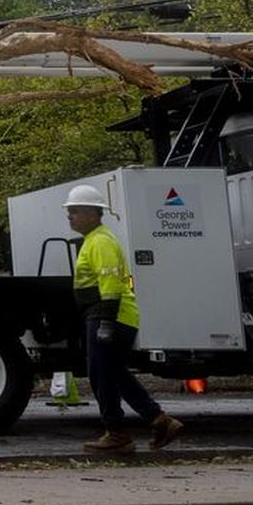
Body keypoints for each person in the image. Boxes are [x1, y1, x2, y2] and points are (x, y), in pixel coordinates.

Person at [66, 185, 183, 453]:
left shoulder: (100, 242)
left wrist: (106, 322)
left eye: (74, 211)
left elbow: (110, 282)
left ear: (93, 214)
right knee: (115, 373)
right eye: (69, 212)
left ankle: (117, 433)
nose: (69, 216)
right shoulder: (95, 239)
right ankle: (159, 421)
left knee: (101, 376)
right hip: (111, 315)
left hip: (109, 315)